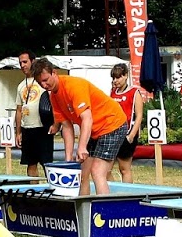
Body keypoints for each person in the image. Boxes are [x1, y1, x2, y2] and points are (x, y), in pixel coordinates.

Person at [30, 59, 128, 196]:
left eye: (46, 80)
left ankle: (104, 212)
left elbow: (87, 118)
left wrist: (82, 147)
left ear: (54, 73)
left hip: (112, 123)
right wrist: (68, 157)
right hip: (94, 130)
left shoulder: (73, 86)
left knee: (97, 171)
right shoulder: (53, 97)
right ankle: (83, 211)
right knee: (82, 173)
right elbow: (66, 126)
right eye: (40, 83)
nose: (44, 85)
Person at [12, 51, 52, 178]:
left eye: (25, 62)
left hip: (42, 128)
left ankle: (53, 191)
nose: (22, 65)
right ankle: (34, 193)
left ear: (33, 61)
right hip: (27, 129)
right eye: (20, 63)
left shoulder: (43, 81)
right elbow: (19, 109)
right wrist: (18, 132)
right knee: (31, 163)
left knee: (47, 163)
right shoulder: (20, 86)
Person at [108, 62, 146, 183]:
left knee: (124, 169)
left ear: (125, 76)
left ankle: (126, 195)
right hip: (112, 133)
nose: (115, 80)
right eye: (113, 77)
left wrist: (131, 135)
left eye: (118, 77)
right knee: (105, 170)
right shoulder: (112, 92)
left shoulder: (134, 93)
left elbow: (139, 115)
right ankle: (112, 193)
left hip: (127, 133)